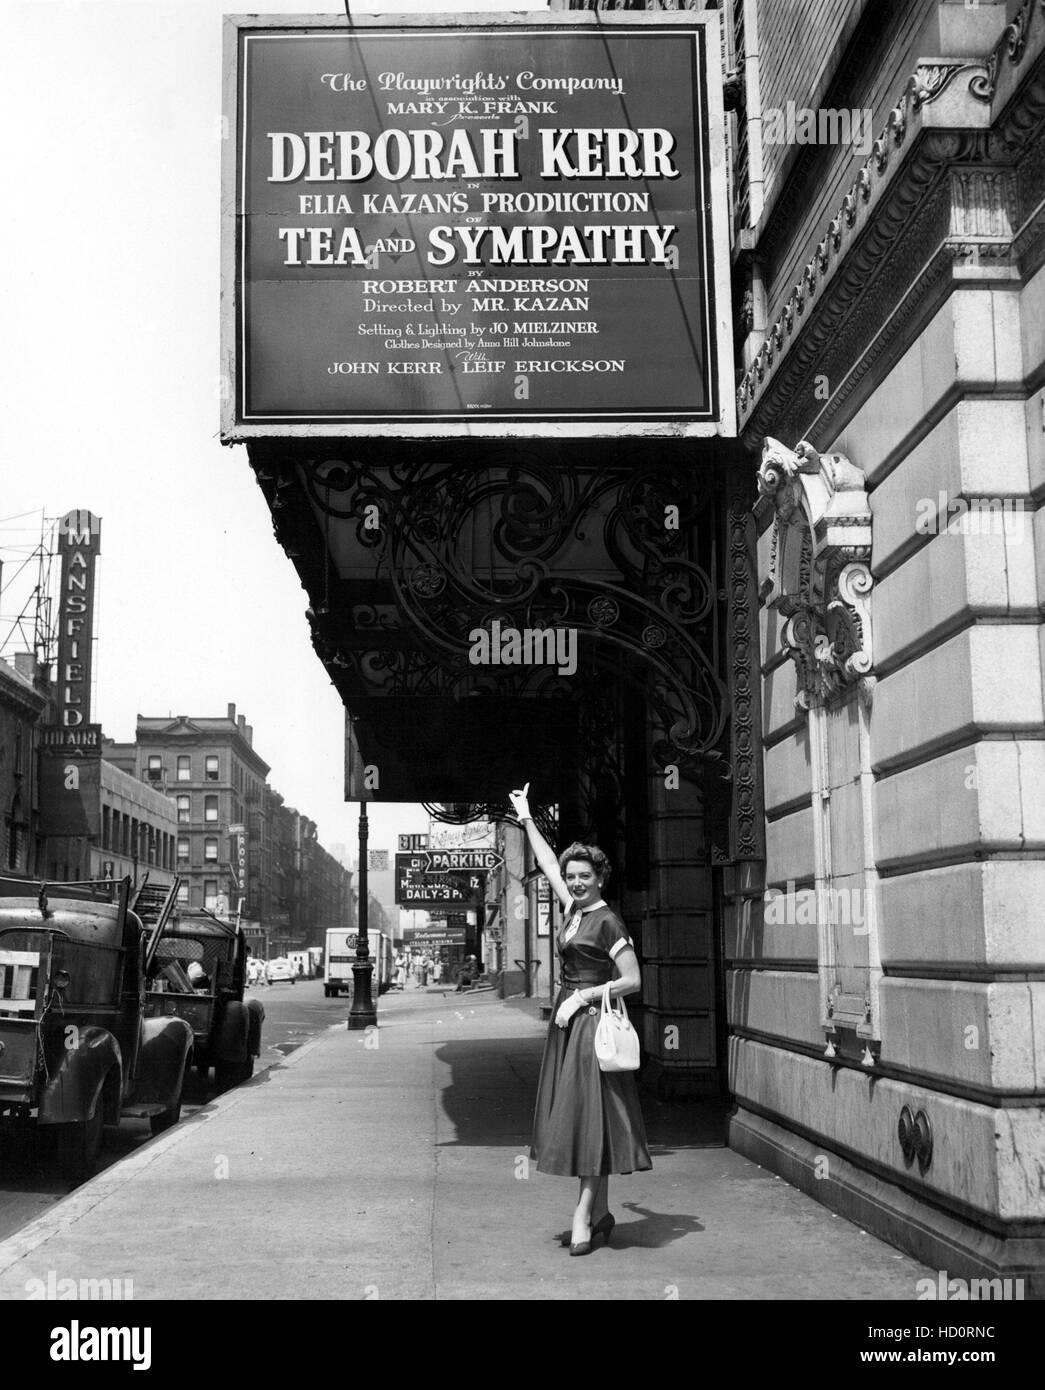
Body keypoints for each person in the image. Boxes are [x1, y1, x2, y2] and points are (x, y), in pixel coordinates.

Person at [509, 781, 651, 1256]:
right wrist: (526, 816)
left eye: (583, 876)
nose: (574, 882)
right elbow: (548, 862)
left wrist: (584, 995)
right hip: (568, 1028)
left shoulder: (607, 920)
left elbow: (633, 980)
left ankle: (581, 1215)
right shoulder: (572, 911)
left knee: (590, 1120)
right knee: (592, 1121)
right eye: (572, 876)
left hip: (590, 1025)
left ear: (600, 878)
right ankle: (604, 1211)